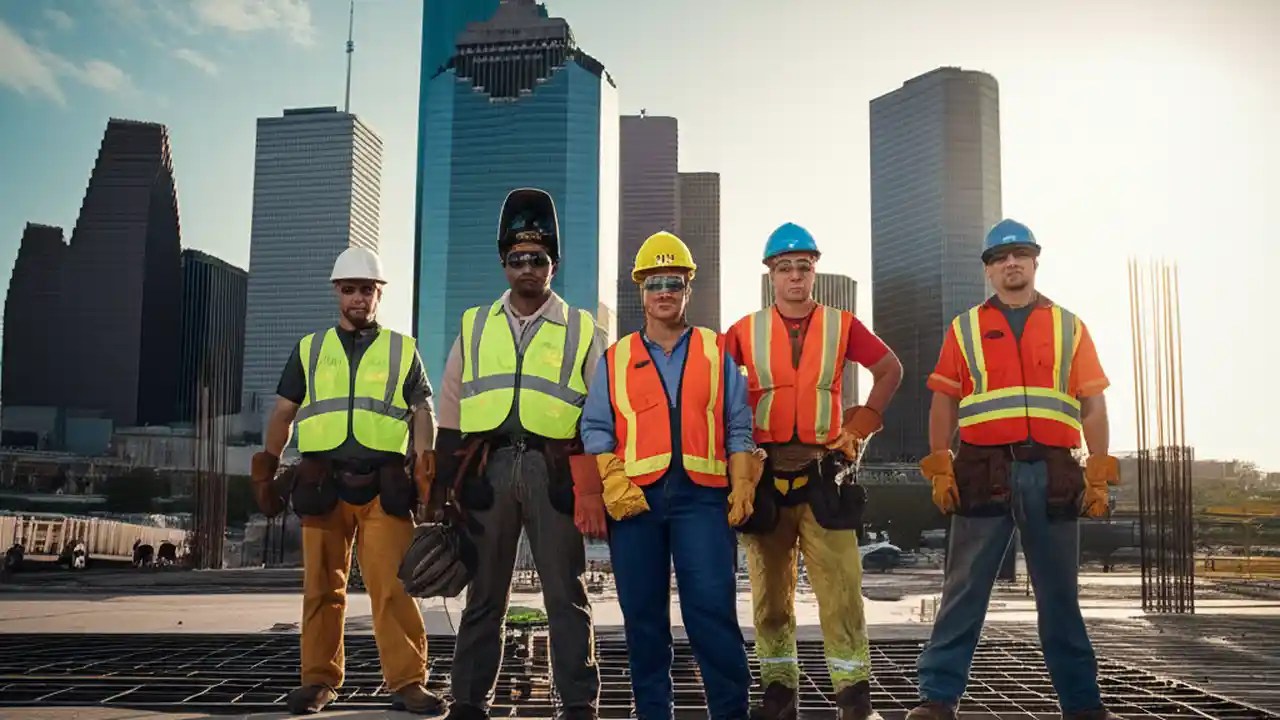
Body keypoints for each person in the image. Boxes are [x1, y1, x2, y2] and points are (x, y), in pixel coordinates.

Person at [907, 219, 1121, 720]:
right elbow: (943, 401)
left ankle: (1083, 704)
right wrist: (941, 466)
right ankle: (937, 700)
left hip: (1053, 471)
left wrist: (1098, 473)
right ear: (988, 270)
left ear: (1034, 262)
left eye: (1020, 254)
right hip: (983, 469)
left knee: (1060, 595)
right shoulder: (965, 328)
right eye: (1001, 258)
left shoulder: (1070, 326)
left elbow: (1093, 404)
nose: (1011, 263)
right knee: (963, 589)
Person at [435, 188, 606, 720]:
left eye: (538, 258)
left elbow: (601, 416)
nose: (527, 267)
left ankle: (578, 701)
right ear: (504, 263)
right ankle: (468, 699)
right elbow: (451, 406)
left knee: (566, 592)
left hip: (553, 469)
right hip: (487, 468)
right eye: (517, 259)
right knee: (483, 595)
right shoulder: (474, 324)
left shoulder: (584, 329)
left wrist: (590, 483)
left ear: (553, 264)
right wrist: (445, 484)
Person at [249, 246, 441, 715]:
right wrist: (266, 466)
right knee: (320, 587)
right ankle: (317, 680)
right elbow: (284, 412)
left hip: (385, 486)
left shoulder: (403, 349)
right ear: (338, 292)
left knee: (393, 588)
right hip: (323, 485)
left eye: (367, 290)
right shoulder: (310, 349)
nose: (358, 298)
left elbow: (423, 411)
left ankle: (408, 682)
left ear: (379, 295)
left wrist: (425, 462)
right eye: (350, 289)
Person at [725, 222, 902, 720]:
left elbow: (890, 369)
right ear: (771, 275)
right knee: (770, 599)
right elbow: (708, 379)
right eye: (785, 268)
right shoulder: (744, 330)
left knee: (842, 593)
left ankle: (854, 700)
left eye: (804, 267)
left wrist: (860, 424)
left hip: (825, 476)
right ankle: (779, 693)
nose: (795, 276)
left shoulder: (842, 324)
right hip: (765, 480)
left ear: (814, 272)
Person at [581, 231, 756, 720]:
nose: (665, 292)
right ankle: (653, 712)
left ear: (688, 289)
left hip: (702, 500)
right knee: (643, 619)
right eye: (655, 282)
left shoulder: (714, 350)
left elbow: (738, 422)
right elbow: (595, 425)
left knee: (712, 614)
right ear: (641, 289)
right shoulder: (616, 358)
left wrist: (742, 479)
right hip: (635, 503)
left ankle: (730, 712)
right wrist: (611, 475)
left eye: (674, 283)